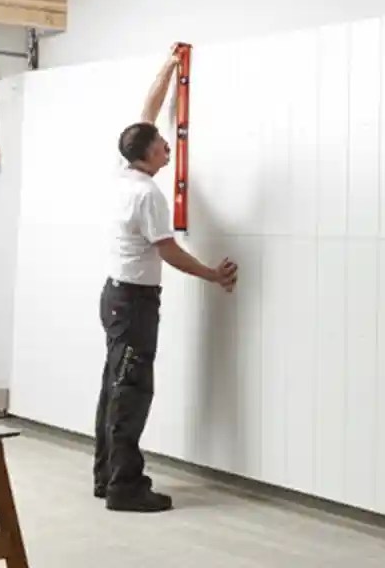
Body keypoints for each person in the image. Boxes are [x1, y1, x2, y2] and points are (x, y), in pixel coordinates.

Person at [93, 46, 239, 512]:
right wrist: (213, 275)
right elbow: (170, 251)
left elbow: (146, 113)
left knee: (114, 385)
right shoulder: (148, 195)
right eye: (161, 146)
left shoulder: (123, 172)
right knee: (132, 391)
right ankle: (126, 488)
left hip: (115, 297)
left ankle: (107, 476)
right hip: (134, 303)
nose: (167, 147)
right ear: (146, 154)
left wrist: (169, 68)